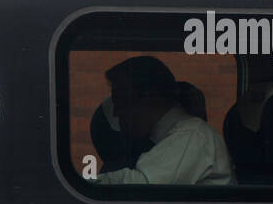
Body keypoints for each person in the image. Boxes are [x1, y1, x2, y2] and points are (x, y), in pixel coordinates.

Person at [94, 56, 234, 185]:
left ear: (149, 98)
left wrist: (85, 185)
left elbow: (142, 185)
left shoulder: (192, 134)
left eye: (122, 102)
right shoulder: (165, 139)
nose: (116, 112)